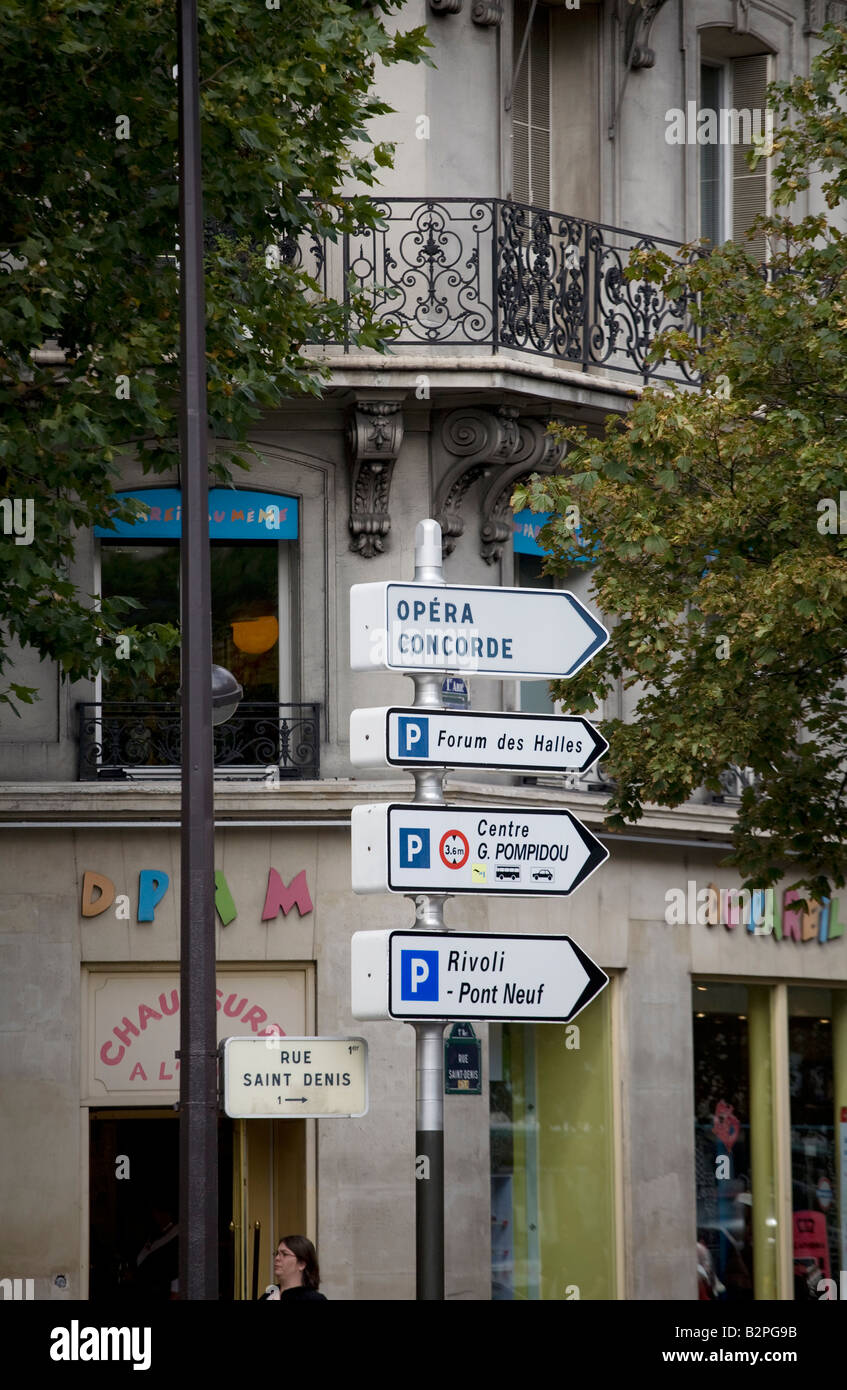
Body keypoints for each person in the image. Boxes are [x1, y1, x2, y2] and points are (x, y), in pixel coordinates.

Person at [260, 1235, 327, 1301]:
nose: (277, 1258)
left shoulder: (314, 1298)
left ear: (301, 1264)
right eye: (277, 1253)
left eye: (285, 1254)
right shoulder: (267, 1295)